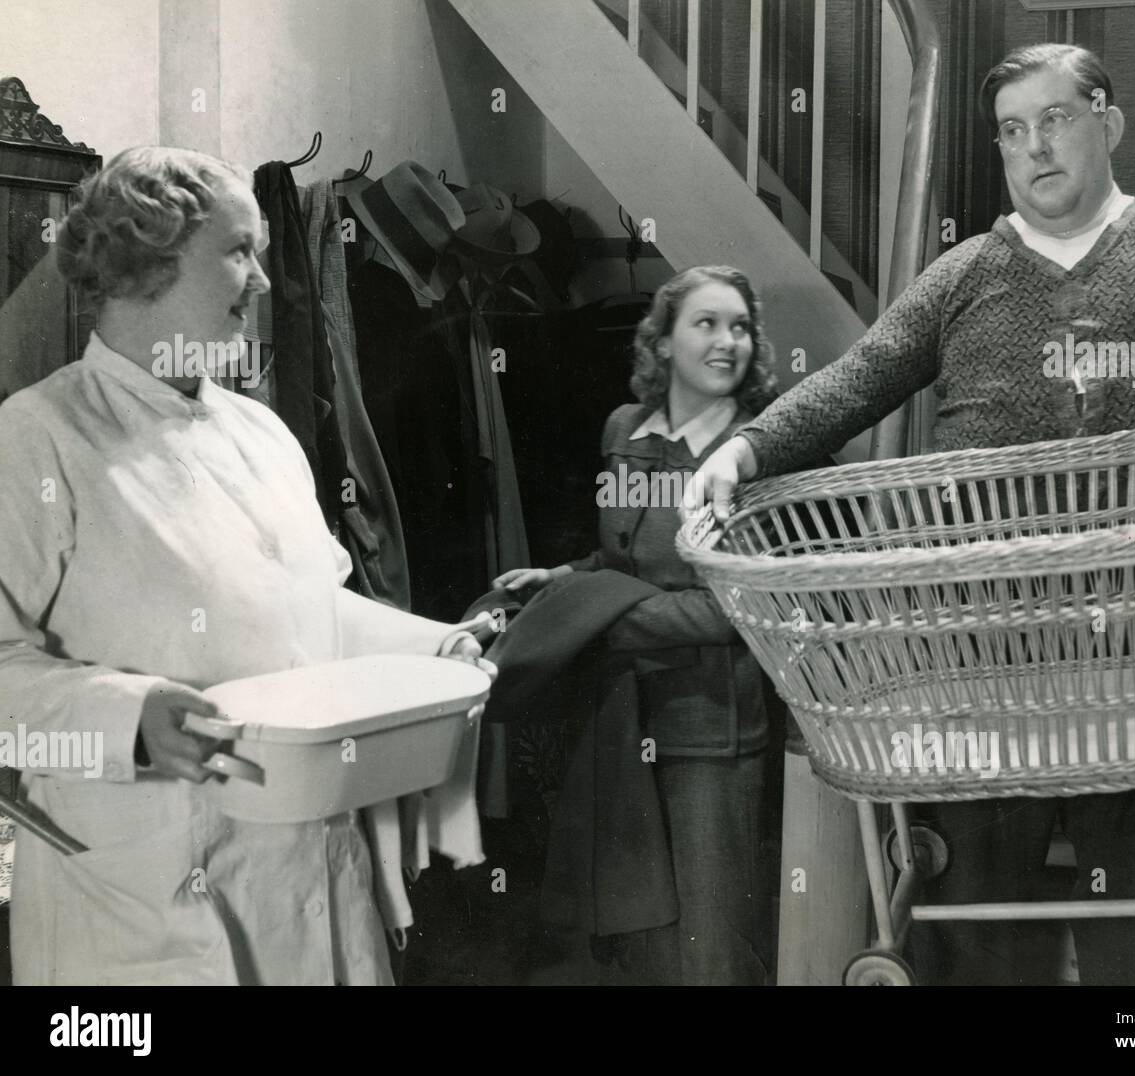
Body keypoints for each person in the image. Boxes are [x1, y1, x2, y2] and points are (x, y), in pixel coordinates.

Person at [684, 45, 1135, 985]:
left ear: (1109, 120)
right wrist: (745, 448)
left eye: (1056, 118)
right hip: (982, 647)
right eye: (1013, 130)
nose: (1033, 146)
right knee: (979, 916)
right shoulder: (965, 271)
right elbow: (859, 378)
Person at [0, 146, 490, 986]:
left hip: (311, 866)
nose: (264, 280)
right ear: (145, 259)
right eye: (238, 251)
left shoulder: (261, 433)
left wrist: (433, 645)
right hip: (146, 903)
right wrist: (129, 716)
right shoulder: (37, 438)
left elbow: (316, 612)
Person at [495, 265, 778, 985]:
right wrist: (563, 580)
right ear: (662, 340)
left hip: (711, 725)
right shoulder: (623, 430)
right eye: (706, 324)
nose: (728, 342)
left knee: (712, 943)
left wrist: (598, 619)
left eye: (740, 326)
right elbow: (619, 556)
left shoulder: (759, 450)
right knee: (637, 928)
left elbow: (740, 606)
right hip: (620, 716)